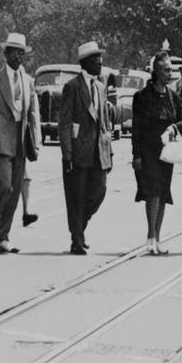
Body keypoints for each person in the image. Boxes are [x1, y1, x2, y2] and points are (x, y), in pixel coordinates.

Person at [0, 33, 41, 254]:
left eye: (21, 52)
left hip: (20, 139)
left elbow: (33, 114)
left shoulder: (28, 81)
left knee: (15, 190)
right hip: (0, 139)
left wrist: (37, 141)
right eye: (13, 51)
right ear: (5, 54)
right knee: (3, 185)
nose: (17, 56)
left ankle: (4, 234)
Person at [58, 41, 116, 255]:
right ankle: (77, 238)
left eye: (100, 58)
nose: (100, 62)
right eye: (95, 59)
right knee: (76, 196)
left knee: (99, 192)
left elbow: (105, 123)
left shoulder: (100, 87)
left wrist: (109, 152)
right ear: (85, 63)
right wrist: (67, 153)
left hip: (98, 152)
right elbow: (64, 122)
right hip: (79, 151)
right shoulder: (72, 87)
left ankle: (79, 228)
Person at [131, 50, 182, 254]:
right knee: (152, 192)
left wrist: (173, 128)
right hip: (148, 151)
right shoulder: (142, 97)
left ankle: (158, 236)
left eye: (170, 69)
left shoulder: (173, 97)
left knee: (163, 193)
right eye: (165, 70)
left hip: (167, 151)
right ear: (156, 71)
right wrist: (136, 154)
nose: (169, 73)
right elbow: (137, 127)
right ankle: (150, 235)